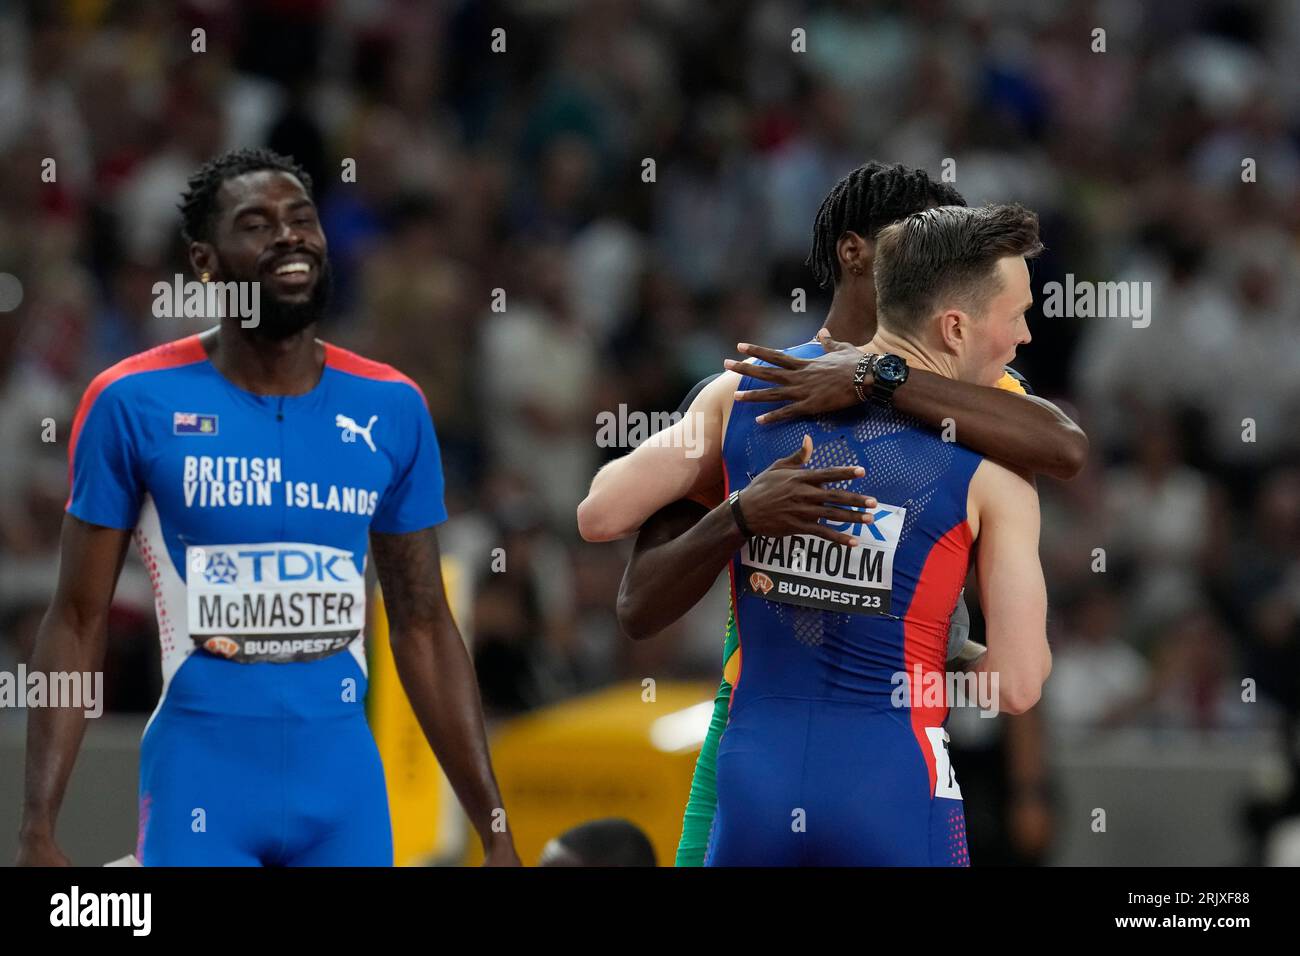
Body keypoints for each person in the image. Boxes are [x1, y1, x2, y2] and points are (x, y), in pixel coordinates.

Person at [18, 148, 519, 867]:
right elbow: (74, 619)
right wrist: (38, 825)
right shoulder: (133, 402)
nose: (289, 236)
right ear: (205, 262)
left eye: (302, 219)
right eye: (256, 224)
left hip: (343, 793)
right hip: (202, 786)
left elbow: (424, 626)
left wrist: (494, 826)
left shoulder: (392, 407)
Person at [578, 162, 1083, 865]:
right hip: (869, 752)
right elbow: (1020, 680)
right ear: (858, 254)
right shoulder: (966, 425)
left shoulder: (748, 390)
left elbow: (1065, 446)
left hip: (761, 747)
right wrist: (740, 513)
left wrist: (868, 378)